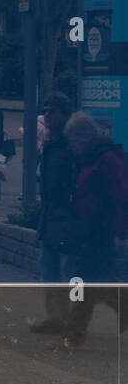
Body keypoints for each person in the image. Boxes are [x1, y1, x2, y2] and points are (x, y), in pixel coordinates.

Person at [49, 112, 128, 350]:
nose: (73, 146)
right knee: (94, 283)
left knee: (84, 281)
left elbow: (120, 195)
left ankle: (73, 337)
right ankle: (74, 335)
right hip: (91, 228)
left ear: (85, 136)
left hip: (100, 229)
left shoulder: (107, 158)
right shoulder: (92, 157)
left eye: (75, 141)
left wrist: (119, 230)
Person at [29, 93, 77, 335]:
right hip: (50, 214)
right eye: (45, 111)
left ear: (65, 115)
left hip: (67, 215)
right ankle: (55, 317)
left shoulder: (71, 145)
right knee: (49, 267)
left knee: (69, 271)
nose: (47, 116)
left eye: (52, 112)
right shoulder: (50, 143)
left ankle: (71, 319)